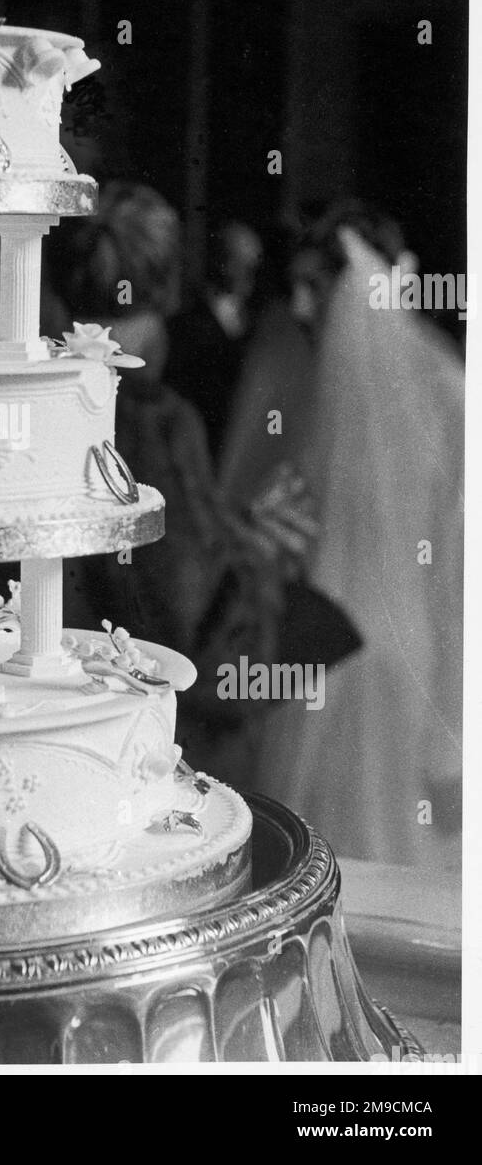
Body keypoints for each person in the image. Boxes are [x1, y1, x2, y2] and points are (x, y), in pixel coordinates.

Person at [223, 200, 463, 867]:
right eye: (296, 286)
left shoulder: (451, 398)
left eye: (316, 286)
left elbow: (461, 577)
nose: (301, 308)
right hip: (312, 653)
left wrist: (454, 739)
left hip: (402, 671)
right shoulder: (311, 388)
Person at [49, 184, 304, 782]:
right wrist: (256, 557)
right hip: (145, 729)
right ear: (166, 288)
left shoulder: (39, 398)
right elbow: (186, 607)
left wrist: (227, 522)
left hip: (52, 700)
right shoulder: (158, 422)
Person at [164, 217, 265, 461]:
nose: (248, 274)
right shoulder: (185, 324)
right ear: (222, 263)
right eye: (240, 263)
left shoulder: (260, 319)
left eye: (253, 265)